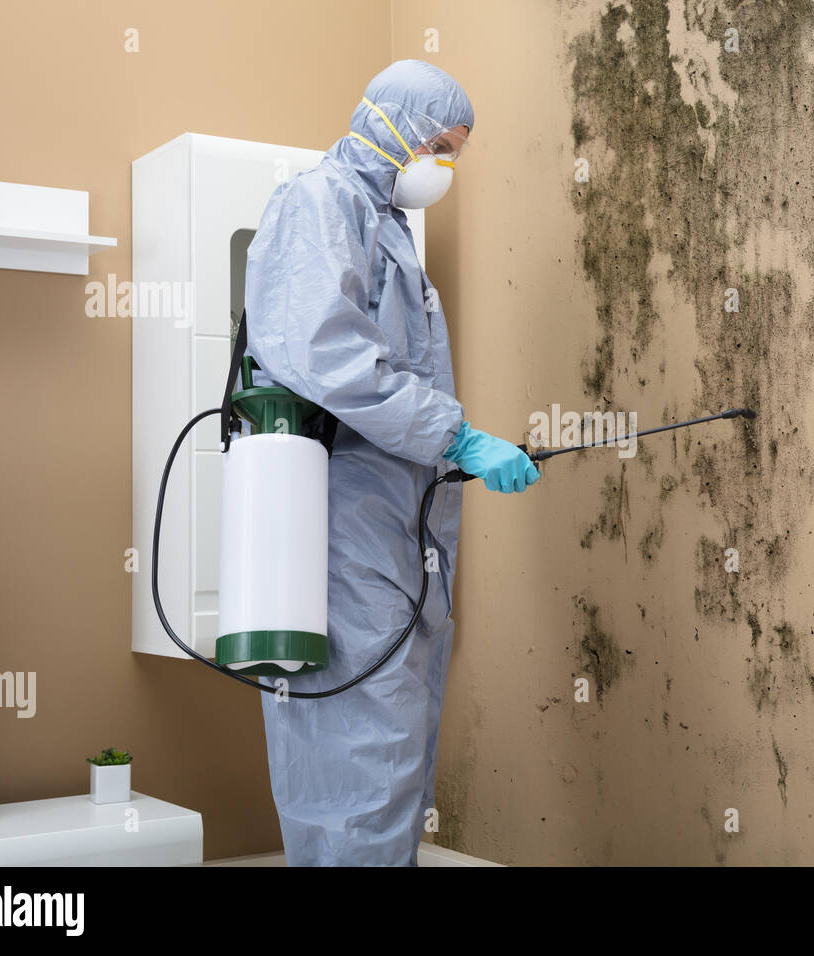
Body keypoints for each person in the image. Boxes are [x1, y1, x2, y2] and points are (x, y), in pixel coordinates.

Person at [243, 59, 538, 866]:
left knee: (394, 744)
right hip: (341, 531)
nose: (443, 166)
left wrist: (451, 453)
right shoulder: (319, 203)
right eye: (438, 144)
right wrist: (457, 437)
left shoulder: (383, 224)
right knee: (361, 750)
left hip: (388, 531)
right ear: (391, 125)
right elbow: (324, 353)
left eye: (454, 152)